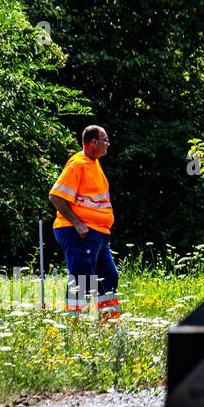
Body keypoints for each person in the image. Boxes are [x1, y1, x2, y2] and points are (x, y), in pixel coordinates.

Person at [48, 125, 119, 319]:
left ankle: (110, 323)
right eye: (105, 140)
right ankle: (74, 324)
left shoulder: (94, 163)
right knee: (82, 279)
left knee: (109, 277)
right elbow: (55, 196)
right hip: (79, 232)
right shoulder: (77, 163)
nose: (108, 144)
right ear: (92, 142)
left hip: (99, 233)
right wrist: (77, 223)